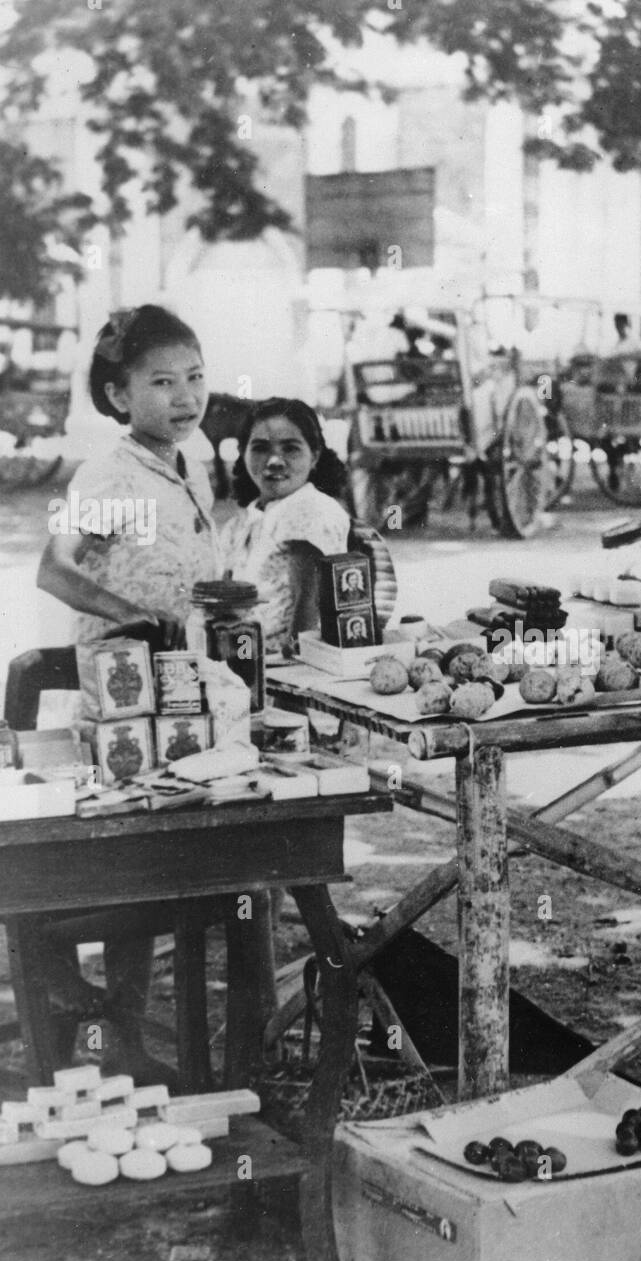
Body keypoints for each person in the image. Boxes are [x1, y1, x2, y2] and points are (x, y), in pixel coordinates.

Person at [37, 304, 220, 1084]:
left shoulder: (184, 461)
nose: (186, 397)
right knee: (131, 868)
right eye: (162, 383)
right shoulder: (112, 474)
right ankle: (52, 965)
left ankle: (124, 1031)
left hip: (175, 695)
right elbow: (55, 568)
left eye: (195, 378)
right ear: (118, 397)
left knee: (155, 869)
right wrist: (129, 616)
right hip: (122, 697)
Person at [220, 398, 352, 655]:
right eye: (260, 448)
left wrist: (288, 677)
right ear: (244, 453)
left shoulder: (311, 509)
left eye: (290, 448)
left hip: (286, 670)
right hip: (243, 661)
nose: (274, 461)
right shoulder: (243, 521)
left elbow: (308, 608)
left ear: (314, 456)